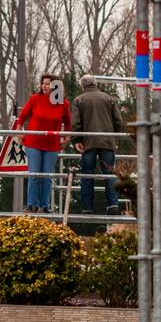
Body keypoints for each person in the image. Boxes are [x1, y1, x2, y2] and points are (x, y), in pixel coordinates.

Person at [16, 73, 71, 213]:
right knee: (34, 175)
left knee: (47, 176)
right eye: (43, 83)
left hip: (52, 145)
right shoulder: (35, 99)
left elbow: (68, 122)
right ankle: (31, 204)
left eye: (48, 83)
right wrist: (19, 131)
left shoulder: (63, 103)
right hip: (34, 142)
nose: (45, 86)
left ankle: (44, 205)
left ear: (56, 86)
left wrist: (67, 137)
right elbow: (21, 117)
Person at [70, 74, 123, 215]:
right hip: (107, 142)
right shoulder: (109, 99)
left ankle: (87, 208)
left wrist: (77, 140)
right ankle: (113, 205)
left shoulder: (78, 100)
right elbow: (118, 121)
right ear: (95, 84)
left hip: (88, 143)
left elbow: (75, 123)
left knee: (87, 175)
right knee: (109, 174)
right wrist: (115, 138)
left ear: (82, 86)